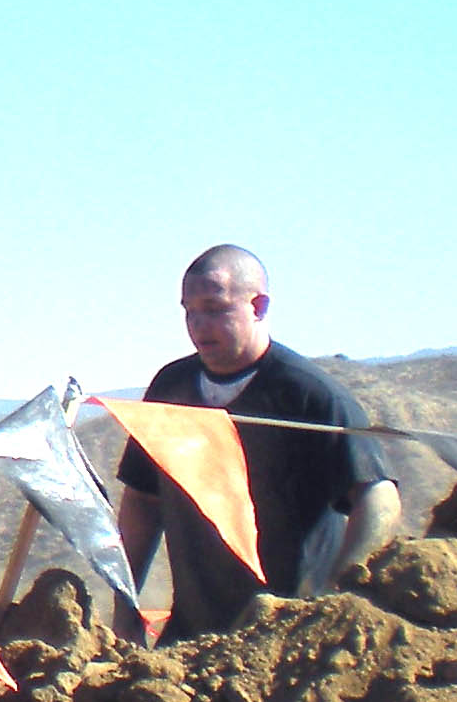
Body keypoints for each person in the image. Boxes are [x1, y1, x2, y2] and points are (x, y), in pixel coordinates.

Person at [115, 245, 399, 644]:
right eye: (189, 310)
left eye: (214, 308)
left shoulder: (309, 395)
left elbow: (379, 498)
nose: (198, 323)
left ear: (258, 305)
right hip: (189, 641)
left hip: (283, 644)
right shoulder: (170, 388)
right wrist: (125, 605)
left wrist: (339, 598)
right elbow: (143, 502)